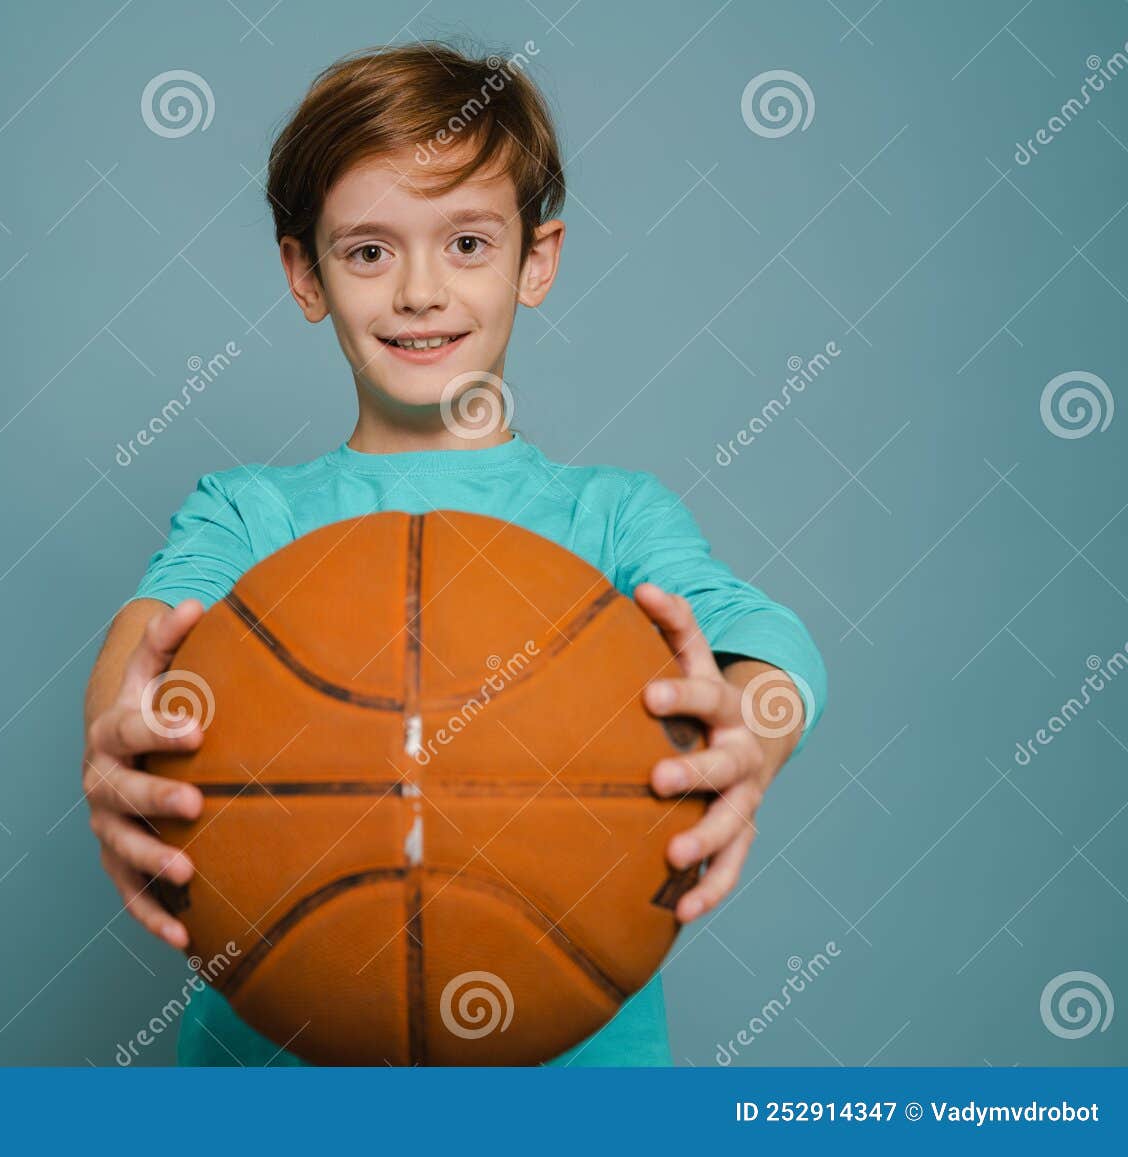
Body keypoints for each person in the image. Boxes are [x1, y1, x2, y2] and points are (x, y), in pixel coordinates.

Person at [81, 41, 827, 1066]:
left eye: (468, 243)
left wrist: (749, 726)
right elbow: (149, 634)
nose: (420, 291)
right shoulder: (247, 515)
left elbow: (766, 638)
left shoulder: (608, 518)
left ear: (539, 259)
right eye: (369, 251)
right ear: (304, 274)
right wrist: (115, 727)